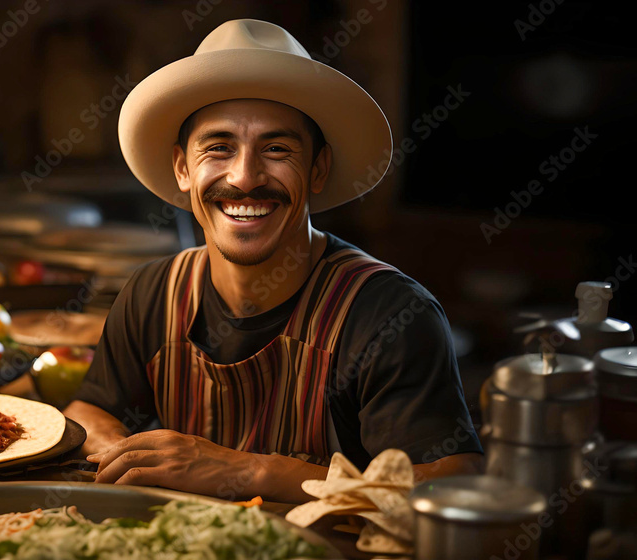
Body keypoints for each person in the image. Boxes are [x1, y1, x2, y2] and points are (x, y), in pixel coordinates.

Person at [65, 19, 482, 502]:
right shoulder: (153, 292)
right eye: (219, 147)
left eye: (277, 149)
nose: (244, 178)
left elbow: (454, 487)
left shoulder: (389, 313)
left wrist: (248, 472)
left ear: (318, 168)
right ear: (183, 168)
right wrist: (128, 458)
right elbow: (89, 411)